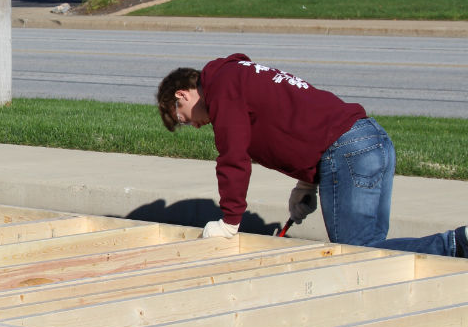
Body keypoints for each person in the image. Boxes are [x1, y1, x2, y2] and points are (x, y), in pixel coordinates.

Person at [156, 53, 467, 256]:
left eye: (182, 117)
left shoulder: (222, 86)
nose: (194, 126)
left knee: (357, 254)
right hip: (369, 139)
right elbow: (295, 121)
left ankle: (454, 245)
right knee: (372, 254)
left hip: (348, 149)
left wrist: (229, 223)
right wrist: (307, 184)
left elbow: (233, 158)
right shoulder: (238, 78)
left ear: (181, 94)